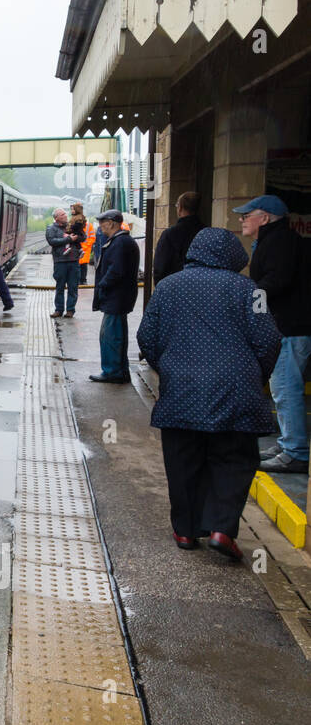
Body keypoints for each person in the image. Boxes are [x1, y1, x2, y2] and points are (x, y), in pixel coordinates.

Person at [136, 228, 282, 560]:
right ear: (233, 257)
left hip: (181, 392)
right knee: (234, 459)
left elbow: (147, 336)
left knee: (182, 460)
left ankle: (186, 531)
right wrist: (256, 375)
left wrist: (169, 368)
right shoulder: (250, 289)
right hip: (237, 391)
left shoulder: (168, 286)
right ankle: (221, 530)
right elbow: (269, 339)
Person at [237, 194, 311, 475]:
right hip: (287, 327)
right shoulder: (274, 240)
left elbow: (275, 282)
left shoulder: (279, 242)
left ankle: (295, 452)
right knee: (283, 389)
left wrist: (250, 301)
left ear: (264, 218)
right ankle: (288, 444)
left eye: (247, 215)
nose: (241, 220)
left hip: (289, 329)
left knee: (285, 390)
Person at [90, 209, 139, 383]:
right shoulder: (121, 241)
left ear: (111, 223)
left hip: (116, 297)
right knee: (114, 335)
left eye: (102, 222)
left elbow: (116, 271)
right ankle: (119, 370)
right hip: (118, 298)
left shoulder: (120, 243)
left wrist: (102, 285)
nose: (100, 226)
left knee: (111, 337)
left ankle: (113, 371)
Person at [152, 191, 205, 284]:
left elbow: (160, 269)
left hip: (175, 286)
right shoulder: (206, 232)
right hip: (202, 286)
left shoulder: (170, 234)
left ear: (180, 208)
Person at [45, 208, 82, 318]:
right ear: (56, 218)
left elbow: (83, 237)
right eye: (62, 214)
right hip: (60, 262)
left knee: (73, 287)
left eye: (65, 213)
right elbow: (52, 241)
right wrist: (68, 239)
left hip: (73, 261)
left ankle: (70, 310)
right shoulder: (51, 229)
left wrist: (76, 238)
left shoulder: (72, 226)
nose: (66, 215)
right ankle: (59, 310)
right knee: (60, 287)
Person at [70, 209, 92, 285]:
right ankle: (78, 280)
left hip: (85, 249)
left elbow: (92, 238)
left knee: (84, 265)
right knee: (77, 265)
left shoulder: (88, 226)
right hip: (77, 248)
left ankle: (83, 280)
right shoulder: (73, 224)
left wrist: (85, 247)